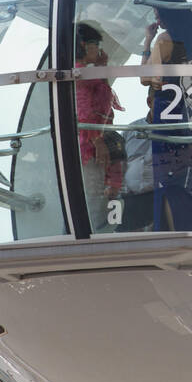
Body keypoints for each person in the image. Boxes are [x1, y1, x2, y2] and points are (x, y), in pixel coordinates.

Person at [141, 0, 192, 231]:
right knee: (190, 177)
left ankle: (167, 233)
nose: (156, 17)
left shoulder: (164, 40)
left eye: (157, 11)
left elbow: (149, 78)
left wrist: (147, 42)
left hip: (168, 113)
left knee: (168, 182)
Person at [75, 23, 121, 231]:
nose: (98, 49)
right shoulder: (79, 74)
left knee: (103, 190)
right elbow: (84, 111)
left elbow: (99, 98)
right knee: (94, 194)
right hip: (90, 145)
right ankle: (93, 235)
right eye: (95, 44)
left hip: (97, 140)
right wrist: (98, 141)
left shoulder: (87, 73)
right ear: (84, 45)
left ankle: (103, 231)